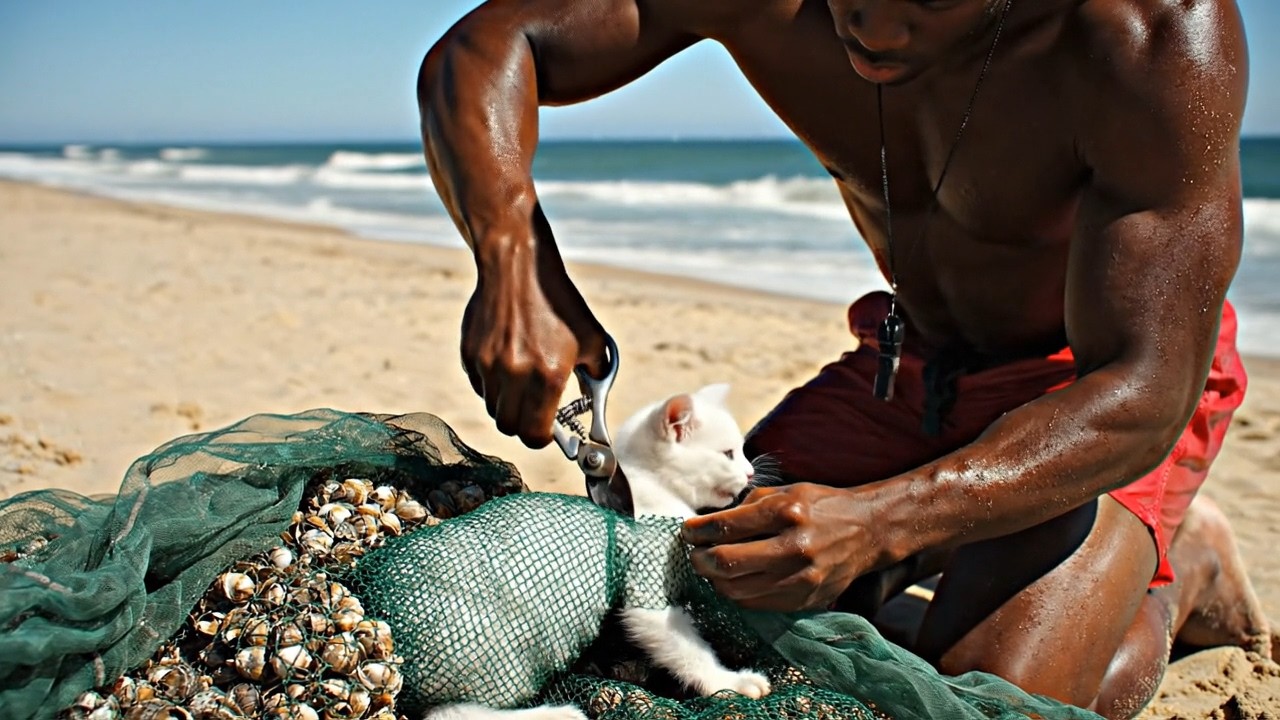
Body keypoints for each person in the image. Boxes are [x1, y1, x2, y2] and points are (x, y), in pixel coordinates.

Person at [419, 0, 1271, 716]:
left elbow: (1144, 386)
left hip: (1086, 393)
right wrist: (513, 262)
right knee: (681, 610)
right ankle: (973, 549)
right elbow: (491, 45)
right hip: (909, 365)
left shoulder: (1149, 32)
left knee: (980, 695)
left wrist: (876, 523)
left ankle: (1176, 565)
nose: (870, 19)